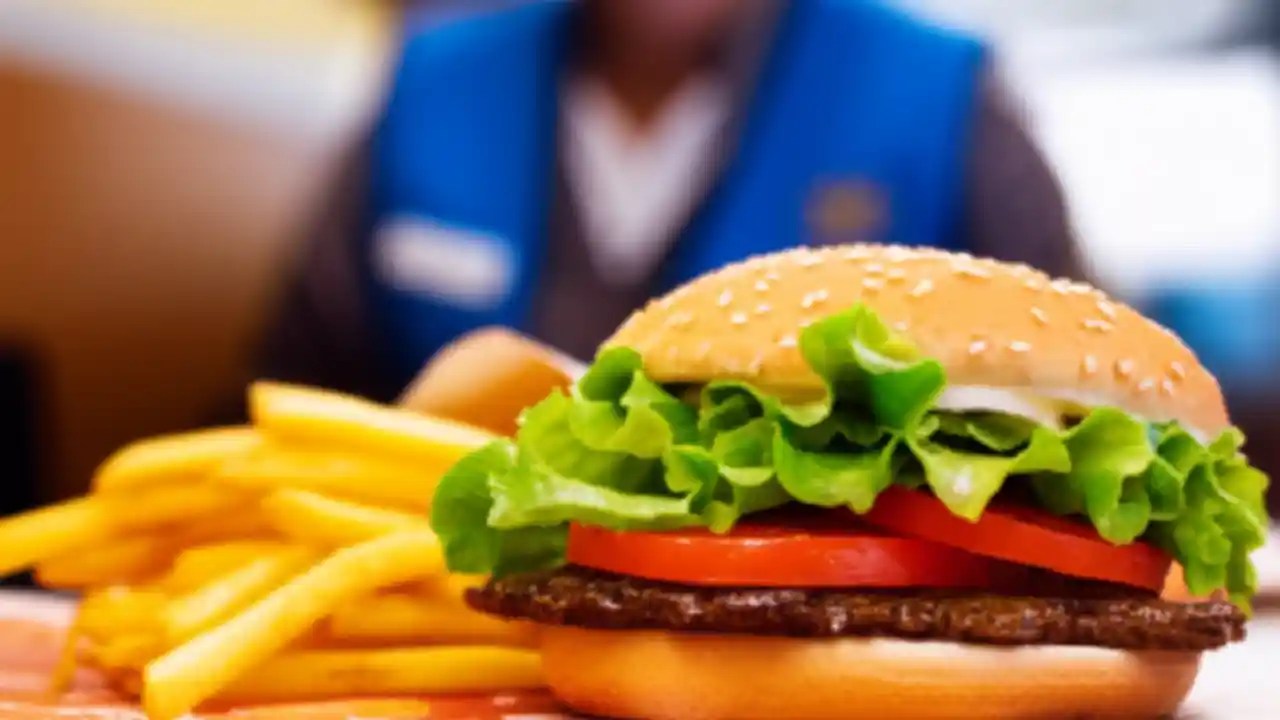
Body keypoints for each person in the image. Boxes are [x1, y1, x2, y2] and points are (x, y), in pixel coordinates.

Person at [260, 0, 1084, 403]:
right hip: (433, 625)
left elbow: (1076, 402)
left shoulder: (944, 98)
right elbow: (290, 391)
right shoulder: (435, 82)